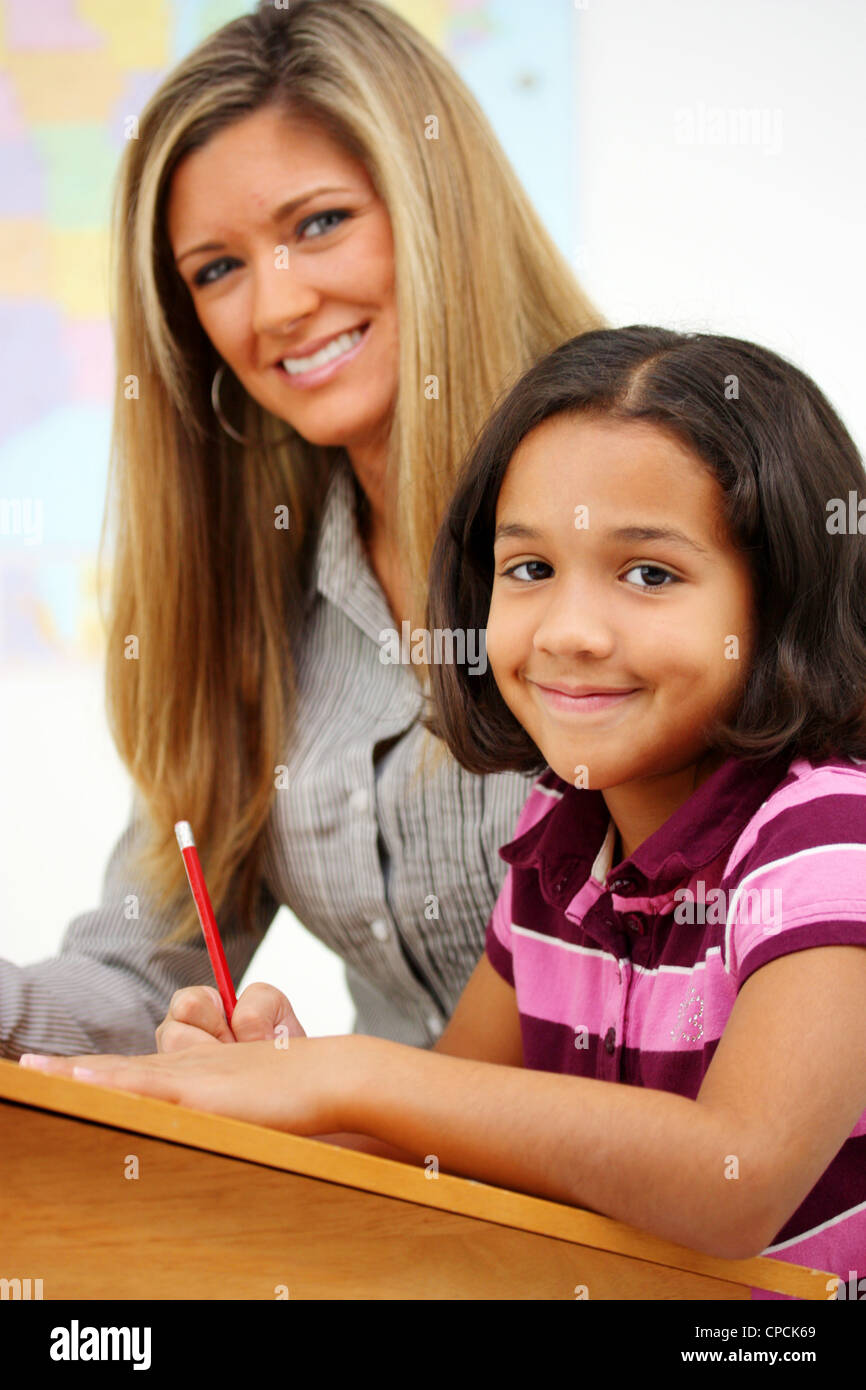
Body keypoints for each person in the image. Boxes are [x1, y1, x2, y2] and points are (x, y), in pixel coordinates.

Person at [25, 326, 866, 1294]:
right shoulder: (558, 840)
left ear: (784, 599)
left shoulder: (826, 841)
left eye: (648, 574)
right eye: (528, 570)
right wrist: (279, 1088)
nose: (569, 631)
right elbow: (452, 1150)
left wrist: (357, 1075)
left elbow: (734, 1182)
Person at [0, 0, 602, 1059]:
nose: (275, 307)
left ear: (433, 210)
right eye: (216, 269)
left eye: (318, 223)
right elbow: (143, 970)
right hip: (399, 1207)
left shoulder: (651, 517)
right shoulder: (258, 604)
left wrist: (346, 1105)